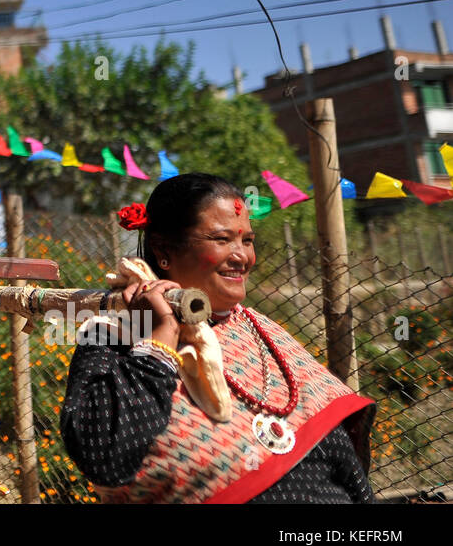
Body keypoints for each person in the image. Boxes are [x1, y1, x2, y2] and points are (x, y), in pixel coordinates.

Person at [60, 173, 376, 504]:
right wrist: (161, 337)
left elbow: (340, 457)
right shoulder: (113, 337)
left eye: (248, 241)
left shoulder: (264, 331)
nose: (243, 257)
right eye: (222, 239)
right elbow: (104, 455)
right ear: (164, 251)